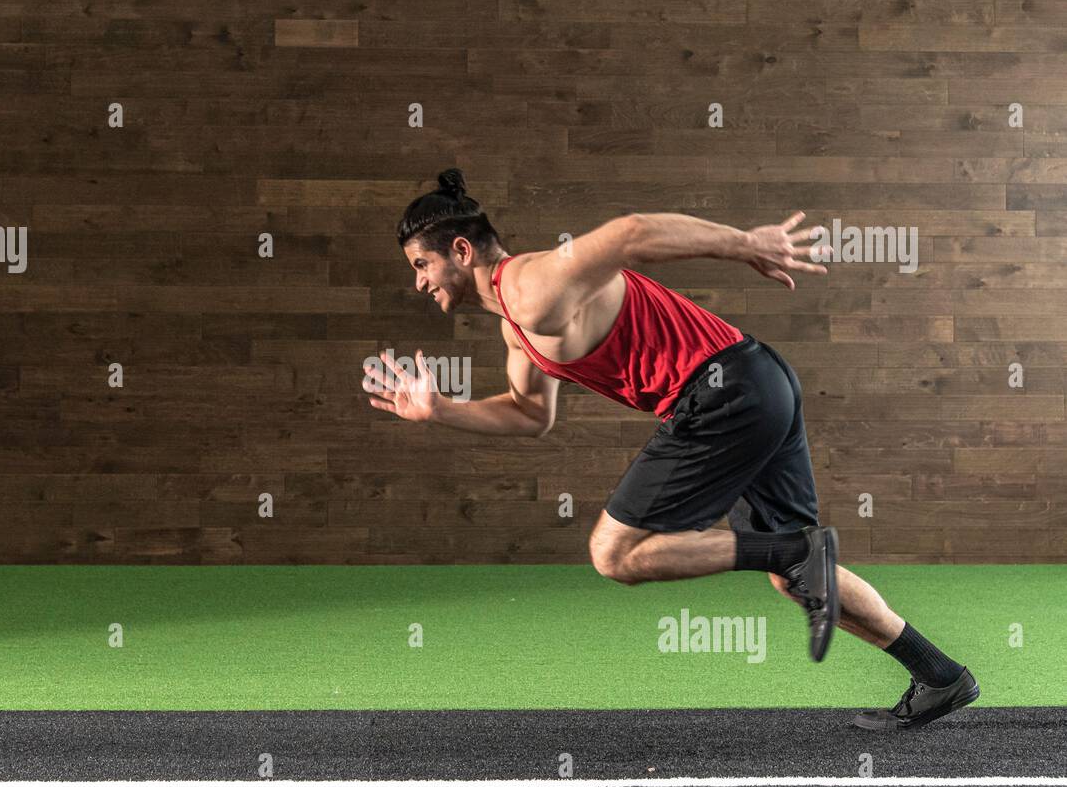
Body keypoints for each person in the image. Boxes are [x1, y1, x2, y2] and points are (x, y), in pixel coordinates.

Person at [364, 168, 979, 730]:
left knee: (614, 553)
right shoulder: (515, 322)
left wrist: (745, 244)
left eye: (421, 265)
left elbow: (630, 233)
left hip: (723, 394)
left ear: (461, 251)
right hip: (758, 382)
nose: (419, 283)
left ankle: (796, 548)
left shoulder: (531, 284)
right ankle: (939, 675)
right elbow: (529, 414)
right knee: (796, 580)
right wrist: (441, 410)